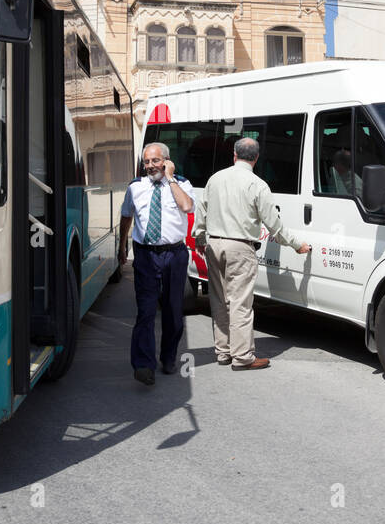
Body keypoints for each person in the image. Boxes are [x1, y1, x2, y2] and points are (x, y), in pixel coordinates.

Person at [193, 137, 310, 371]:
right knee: (240, 303)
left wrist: (199, 238)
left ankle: (223, 352)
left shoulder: (215, 179)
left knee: (218, 299)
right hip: (240, 246)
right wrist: (297, 244)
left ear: (234, 155)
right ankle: (242, 357)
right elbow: (274, 225)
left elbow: (201, 211)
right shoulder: (257, 184)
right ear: (256, 158)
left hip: (214, 244)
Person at [119, 142, 195, 386]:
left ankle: (169, 357)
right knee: (146, 310)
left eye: (155, 161)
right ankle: (143, 365)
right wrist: (122, 245)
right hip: (145, 255)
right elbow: (126, 215)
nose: (150, 166)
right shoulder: (135, 187)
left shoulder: (181, 184)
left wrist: (170, 178)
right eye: (147, 162)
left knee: (173, 312)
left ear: (167, 161)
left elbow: (187, 206)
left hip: (174, 254)